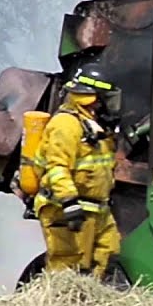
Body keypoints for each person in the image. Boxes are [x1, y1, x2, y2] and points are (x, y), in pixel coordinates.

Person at [33, 64, 123, 279]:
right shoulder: (65, 124)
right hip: (66, 208)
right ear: (92, 98)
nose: (111, 105)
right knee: (68, 266)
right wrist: (69, 203)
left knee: (108, 257)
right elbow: (56, 168)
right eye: (107, 98)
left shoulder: (93, 127)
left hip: (97, 210)